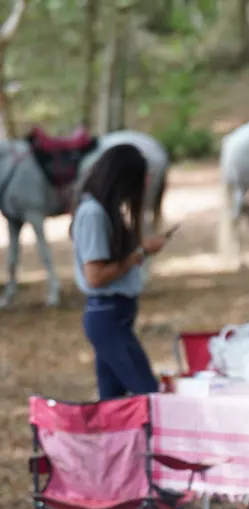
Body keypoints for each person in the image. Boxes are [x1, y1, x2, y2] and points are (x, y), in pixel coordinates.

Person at [72, 143, 176, 401]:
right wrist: (141, 253)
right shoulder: (94, 214)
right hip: (108, 316)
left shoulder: (105, 211)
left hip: (115, 314)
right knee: (148, 395)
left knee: (113, 401)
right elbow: (95, 277)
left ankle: (112, 442)